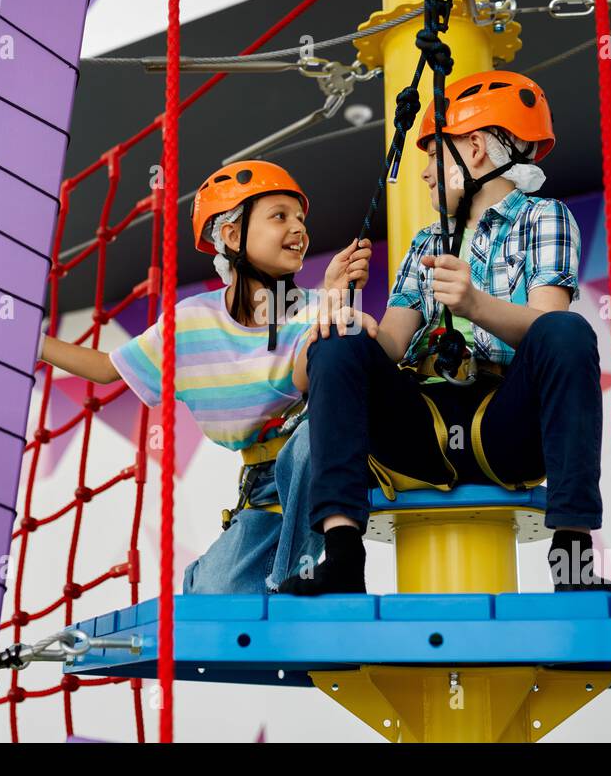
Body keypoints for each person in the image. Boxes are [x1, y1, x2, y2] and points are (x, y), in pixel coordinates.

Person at [276, 70, 611, 595]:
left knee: (568, 332)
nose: (426, 175)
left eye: (435, 156)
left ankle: (572, 553)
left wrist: (476, 305)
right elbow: (389, 346)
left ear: (476, 148)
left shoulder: (545, 219)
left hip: (508, 427)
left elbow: (547, 324)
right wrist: (343, 309)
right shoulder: (425, 242)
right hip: (423, 428)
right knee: (340, 342)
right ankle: (342, 553)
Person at [39, 159, 371, 594]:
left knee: (308, 443)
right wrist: (33, 340)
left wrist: (332, 302)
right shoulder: (192, 322)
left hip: (322, 462)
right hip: (262, 483)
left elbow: (320, 372)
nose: (299, 229)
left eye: (301, 218)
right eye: (279, 216)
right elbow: (105, 370)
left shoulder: (315, 306)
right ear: (231, 235)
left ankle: (290, 586)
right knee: (213, 594)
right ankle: (240, 580)